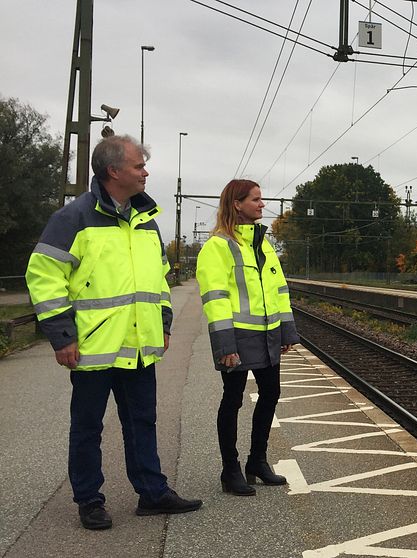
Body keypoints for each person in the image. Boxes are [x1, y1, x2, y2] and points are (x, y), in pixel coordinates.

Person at [25, 135, 202, 530]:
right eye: (139, 166)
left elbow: (159, 280)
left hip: (139, 346)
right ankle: (89, 500)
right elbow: (43, 275)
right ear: (113, 171)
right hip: (92, 347)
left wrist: (164, 323)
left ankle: (153, 493)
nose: (146, 172)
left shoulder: (146, 221)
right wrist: (62, 334)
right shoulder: (73, 218)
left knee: (143, 422)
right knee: (88, 427)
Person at [196, 179, 298, 496]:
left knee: (271, 394)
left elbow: (279, 291)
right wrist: (225, 345)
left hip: (267, 334)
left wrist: (286, 331)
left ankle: (257, 461)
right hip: (237, 337)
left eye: (261, 198)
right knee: (233, 400)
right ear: (237, 203)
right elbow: (216, 298)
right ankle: (230, 469)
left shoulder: (264, 244)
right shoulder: (218, 246)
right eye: (256, 199)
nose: (262, 204)